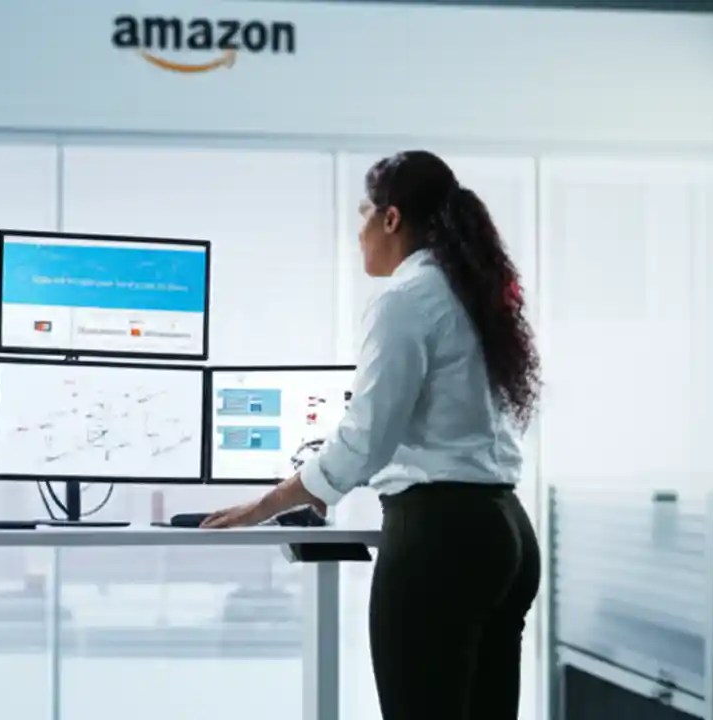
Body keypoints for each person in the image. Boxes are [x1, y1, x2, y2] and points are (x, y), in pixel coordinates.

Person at [202, 150, 542, 720]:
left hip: (442, 538)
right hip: (504, 528)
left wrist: (266, 504)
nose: (357, 236)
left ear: (391, 219)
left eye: (363, 216)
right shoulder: (471, 292)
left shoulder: (404, 300)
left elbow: (366, 439)